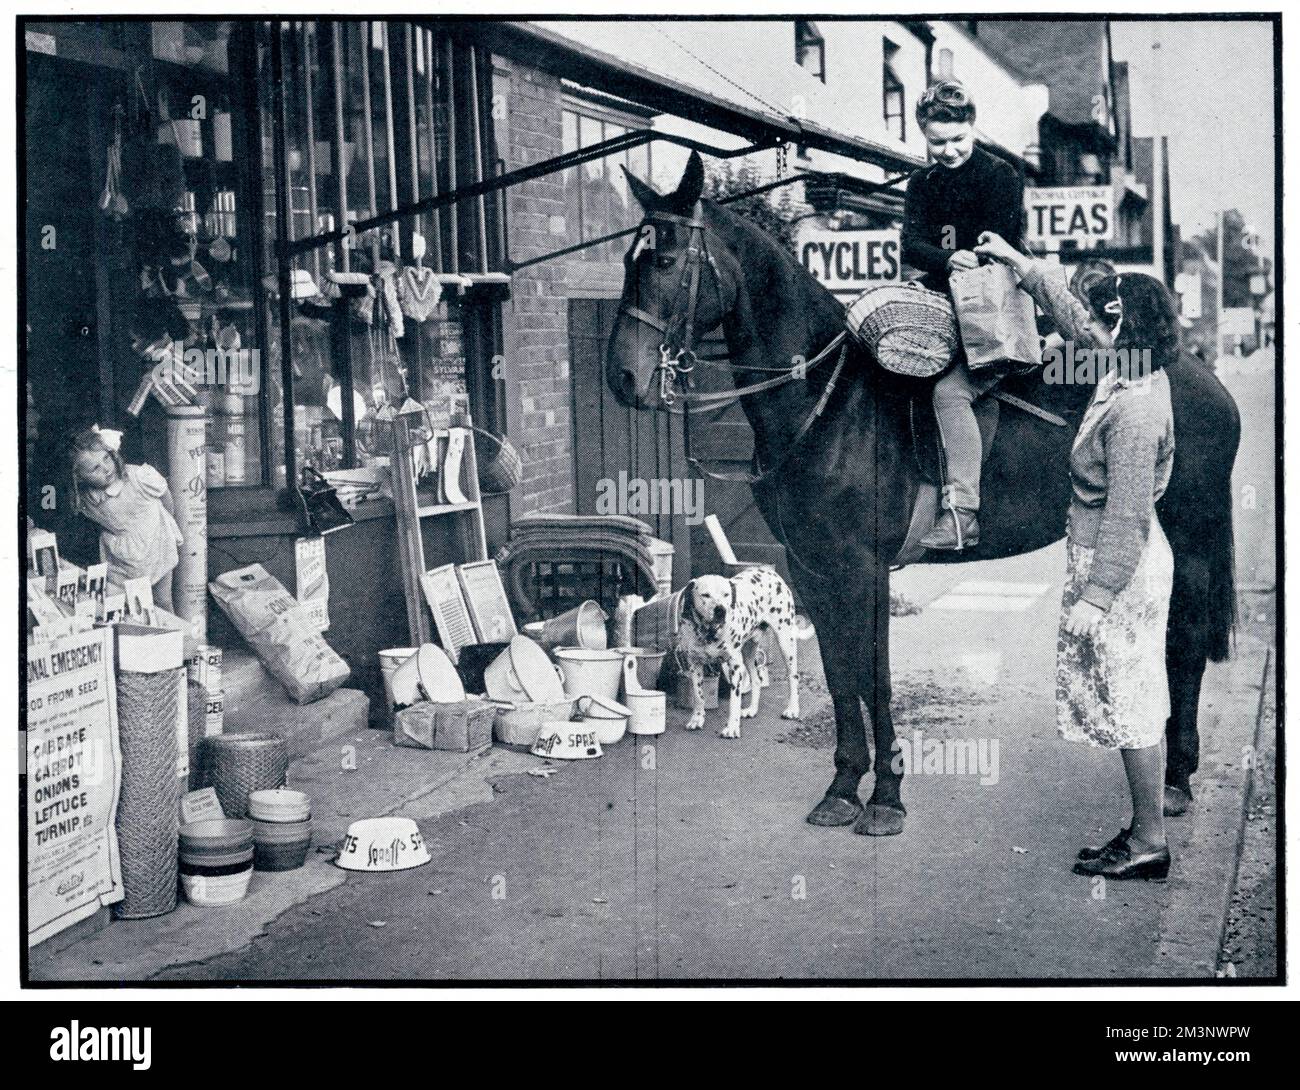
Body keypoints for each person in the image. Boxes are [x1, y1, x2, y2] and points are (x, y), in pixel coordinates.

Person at [976, 230, 1177, 881]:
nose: (1098, 321)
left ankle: (1149, 841)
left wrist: (1099, 593)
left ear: (1135, 325)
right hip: (1116, 561)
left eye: (1113, 312)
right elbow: (1073, 318)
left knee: (1133, 698)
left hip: (1125, 566)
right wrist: (1020, 266)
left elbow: (1128, 511)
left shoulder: (1138, 408)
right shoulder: (1123, 371)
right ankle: (1143, 829)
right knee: (1127, 694)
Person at [901, 80, 1025, 550]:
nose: (949, 151)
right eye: (938, 143)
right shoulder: (921, 182)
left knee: (950, 394)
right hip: (941, 306)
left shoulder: (1001, 175)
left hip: (996, 312)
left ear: (973, 129)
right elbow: (911, 244)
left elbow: (1003, 241)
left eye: (958, 140)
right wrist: (947, 259)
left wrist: (976, 254)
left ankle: (963, 513)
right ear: (924, 137)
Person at [69, 426, 183, 613]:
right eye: (95, 468)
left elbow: (167, 499)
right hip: (123, 554)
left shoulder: (138, 477)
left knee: (162, 600)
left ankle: (175, 637)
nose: (106, 469)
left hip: (155, 543)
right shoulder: (86, 499)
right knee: (131, 602)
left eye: (106, 458)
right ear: (79, 478)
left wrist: (165, 524)